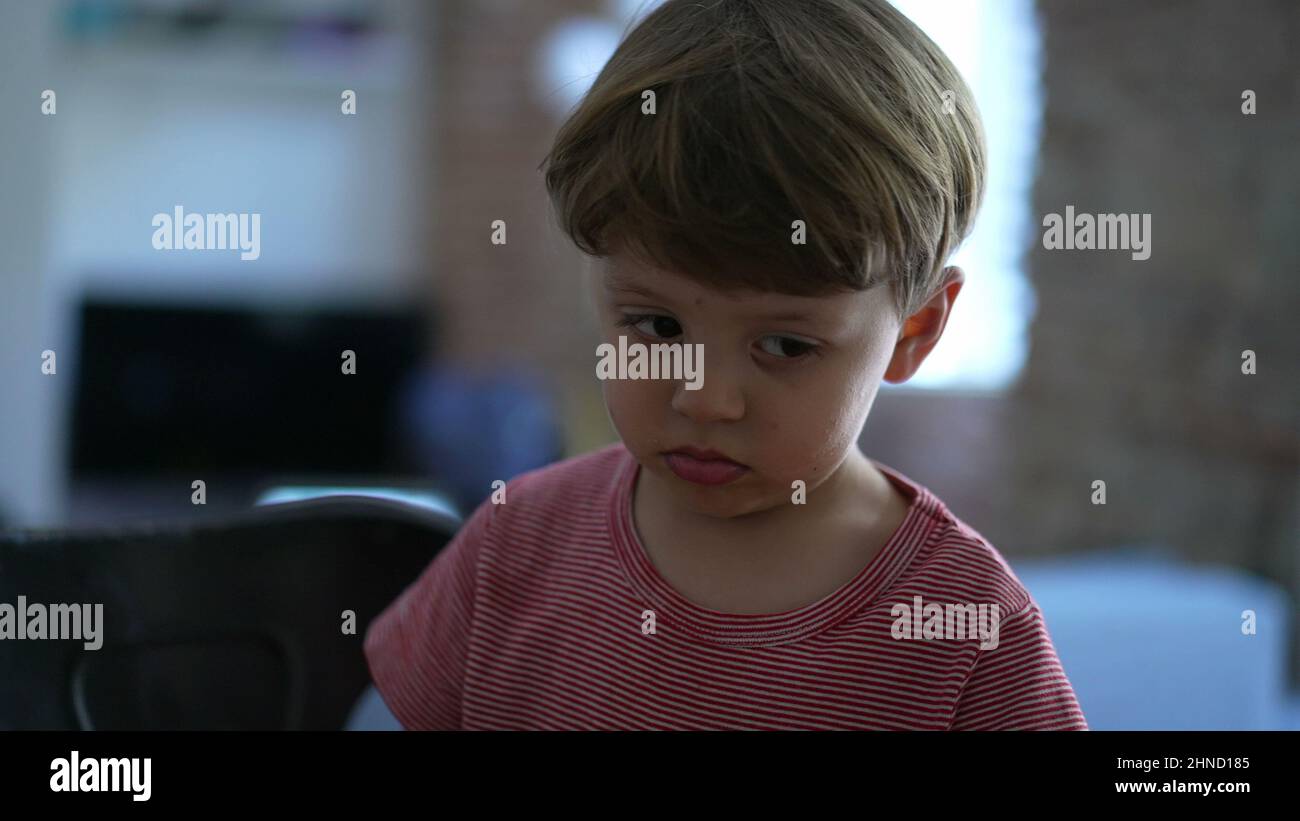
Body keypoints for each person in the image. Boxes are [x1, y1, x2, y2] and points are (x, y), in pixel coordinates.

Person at [365, 0, 1086, 730]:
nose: (705, 400)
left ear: (915, 331)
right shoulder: (515, 545)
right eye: (656, 325)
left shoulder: (967, 625)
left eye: (784, 345)